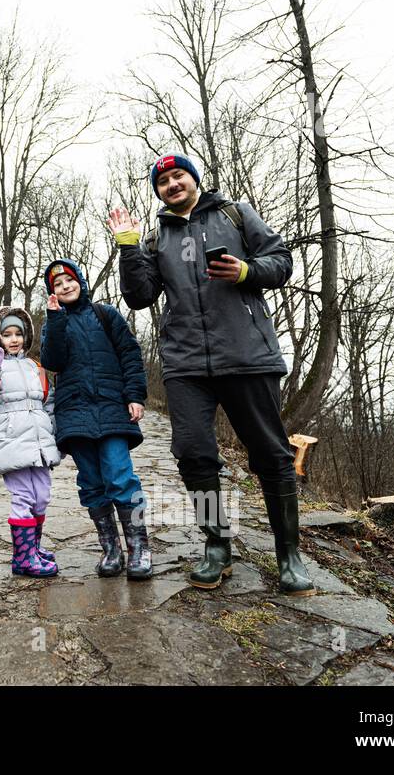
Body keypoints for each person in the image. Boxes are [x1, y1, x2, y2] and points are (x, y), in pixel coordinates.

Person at [111, 152, 315, 596]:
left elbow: (280, 262)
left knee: (272, 455)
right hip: (186, 365)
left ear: (194, 180)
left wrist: (246, 271)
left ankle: (289, 556)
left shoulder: (235, 214)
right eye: (163, 181)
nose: (171, 184)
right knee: (192, 453)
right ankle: (217, 546)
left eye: (178, 175)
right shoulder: (154, 239)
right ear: (159, 192)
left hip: (247, 355)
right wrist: (128, 246)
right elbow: (139, 297)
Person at [40, 259, 153, 580]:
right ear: (53, 293)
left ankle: (139, 548)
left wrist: (134, 395)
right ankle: (111, 549)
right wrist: (54, 318)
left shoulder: (107, 315)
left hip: (112, 408)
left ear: (81, 282)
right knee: (91, 483)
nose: (65, 286)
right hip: (74, 415)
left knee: (120, 477)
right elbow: (53, 361)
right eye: (57, 284)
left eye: (69, 280)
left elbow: (130, 354)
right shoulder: (54, 323)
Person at [0, 306, 62, 578]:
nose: (13, 339)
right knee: (23, 497)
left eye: (18, 333)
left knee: (42, 497)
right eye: (6, 333)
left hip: (39, 443)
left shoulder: (35, 367)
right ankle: (22, 558)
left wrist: (55, 435)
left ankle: (33, 547)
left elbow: (50, 402)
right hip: (11, 441)